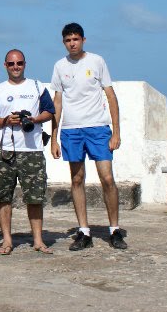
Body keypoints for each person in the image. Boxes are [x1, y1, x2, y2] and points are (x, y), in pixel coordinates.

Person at [50, 23, 128, 250]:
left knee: (107, 178)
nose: (72, 43)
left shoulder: (97, 61)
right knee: (76, 179)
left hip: (98, 128)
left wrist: (116, 132)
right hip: (71, 130)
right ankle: (84, 231)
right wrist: (54, 138)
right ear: (64, 42)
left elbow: (111, 96)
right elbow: (57, 102)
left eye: (75, 39)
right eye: (68, 40)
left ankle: (114, 229)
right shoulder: (59, 66)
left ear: (83, 40)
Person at [0, 49, 55, 255]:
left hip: (31, 150)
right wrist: (7, 120)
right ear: (5, 65)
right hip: (4, 150)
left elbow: (49, 112)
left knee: (35, 197)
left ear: (25, 64)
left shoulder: (37, 87)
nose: (16, 67)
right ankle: (7, 240)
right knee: (3, 196)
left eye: (20, 63)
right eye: (12, 64)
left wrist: (33, 119)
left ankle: (38, 240)